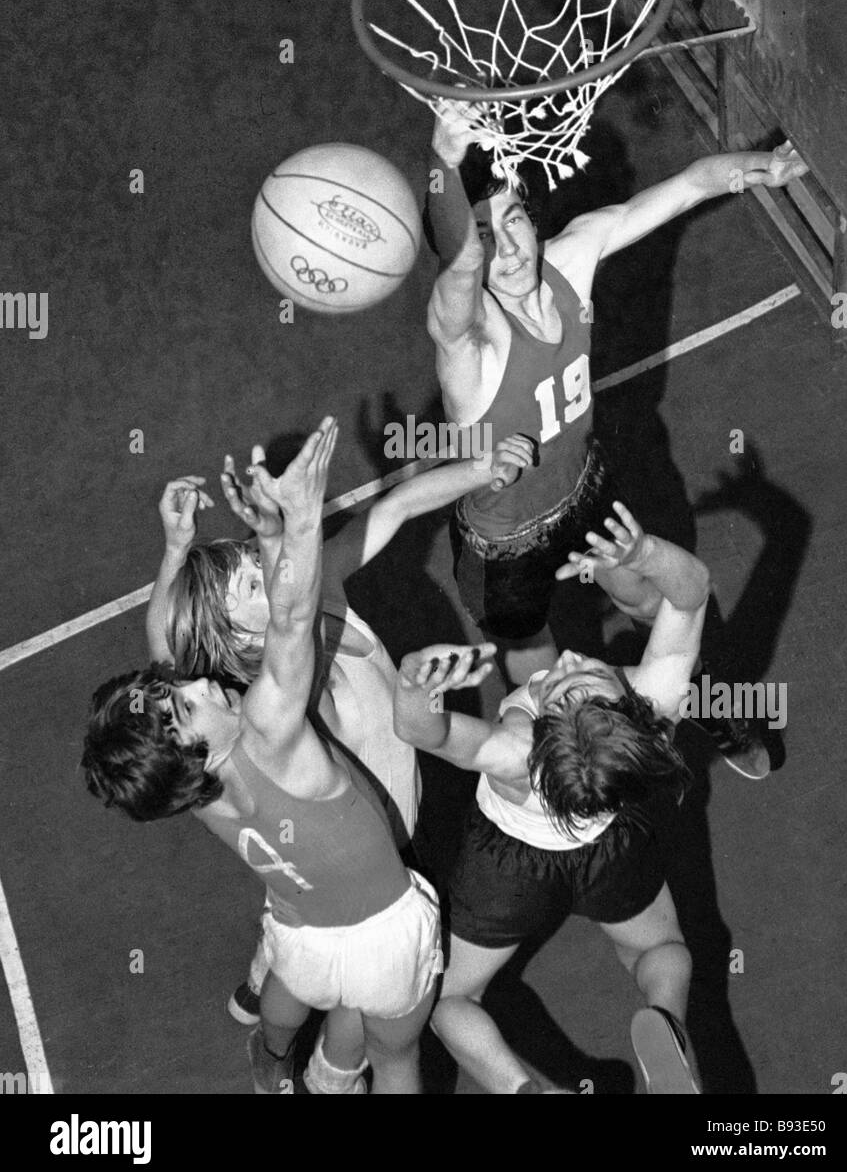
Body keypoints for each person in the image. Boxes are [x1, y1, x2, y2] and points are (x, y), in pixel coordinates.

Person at [425, 100, 808, 778]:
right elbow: (458, 269)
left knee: (663, 614)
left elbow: (691, 184)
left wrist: (764, 168)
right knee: (546, 695)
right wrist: (443, 163)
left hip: (584, 490)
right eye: (485, 234)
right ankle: (579, 786)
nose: (509, 247)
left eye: (515, 219)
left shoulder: (571, 258)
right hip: (503, 547)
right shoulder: (467, 336)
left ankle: (715, 714)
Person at [143, 431, 532, 1088]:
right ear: (240, 632)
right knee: (358, 990)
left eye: (247, 557)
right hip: (375, 853)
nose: (256, 564)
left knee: (291, 952)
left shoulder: (306, 604)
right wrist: (278, 534)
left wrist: (480, 469)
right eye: (245, 577)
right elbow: (188, 652)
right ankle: (325, 1071)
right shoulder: (283, 695)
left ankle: (269, 1041)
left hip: (308, 872)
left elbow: (393, 509)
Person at [83, 418, 442, 1095]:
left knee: (295, 981)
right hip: (376, 928)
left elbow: (165, 650)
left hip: (299, 917)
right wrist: (298, 524)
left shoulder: (183, 779)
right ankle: (327, 1078)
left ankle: (271, 1059)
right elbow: (291, 622)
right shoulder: (273, 734)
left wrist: (176, 548)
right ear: (189, 744)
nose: (189, 680)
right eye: (186, 701)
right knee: (392, 1049)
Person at [393, 500, 710, 1094]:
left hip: (509, 868)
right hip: (613, 849)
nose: (569, 658)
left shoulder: (517, 749)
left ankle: (522, 1089)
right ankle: (668, 1026)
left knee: (448, 1000)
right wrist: (644, 555)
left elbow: (420, 731)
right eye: (580, 672)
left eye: (564, 681)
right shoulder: (654, 704)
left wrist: (414, 683)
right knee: (663, 952)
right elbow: (691, 594)